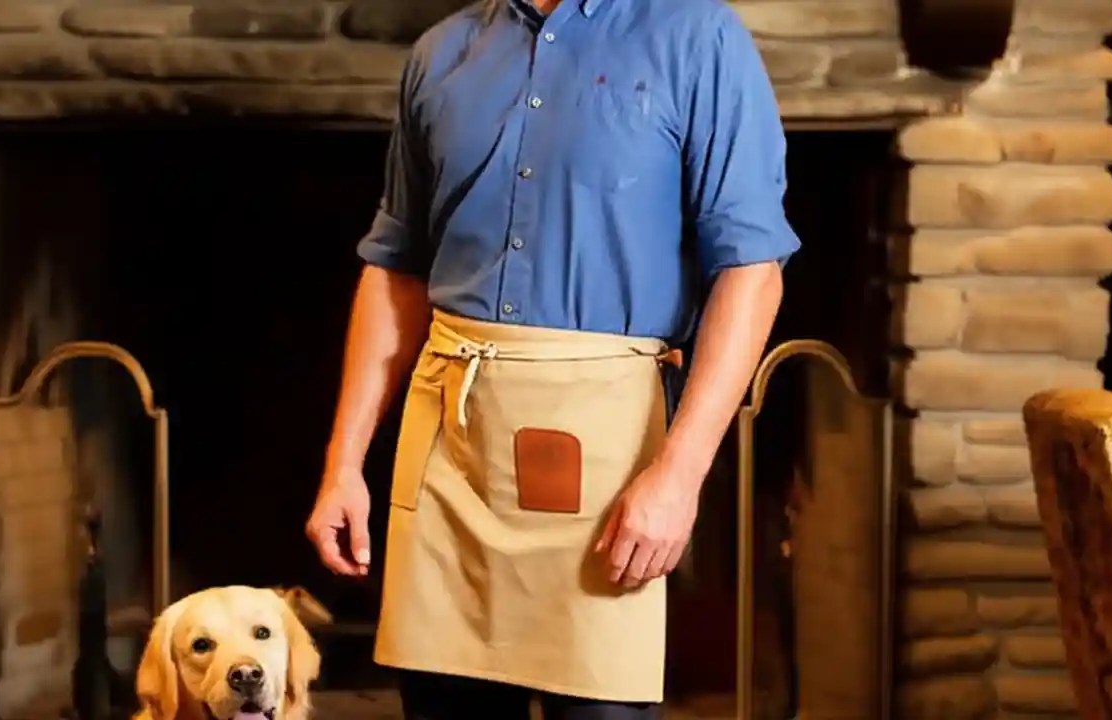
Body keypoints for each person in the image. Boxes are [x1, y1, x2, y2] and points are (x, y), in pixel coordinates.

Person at [306, 0, 801, 716]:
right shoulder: (440, 54)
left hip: (612, 456)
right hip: (453, 449)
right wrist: (343, 465)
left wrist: (678, 478)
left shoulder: (698, 37)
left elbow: (753, 270)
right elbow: (396, 268)